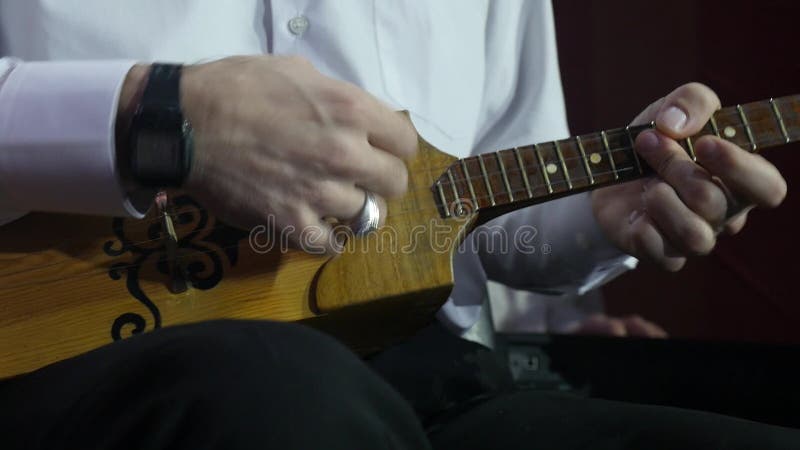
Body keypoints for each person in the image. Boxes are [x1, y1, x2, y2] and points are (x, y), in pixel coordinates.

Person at [0, 1, 793, 449]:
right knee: (285, 396)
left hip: (436, 383)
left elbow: (475, 203)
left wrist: (600, 212)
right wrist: (152, 114)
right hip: (81, 357)